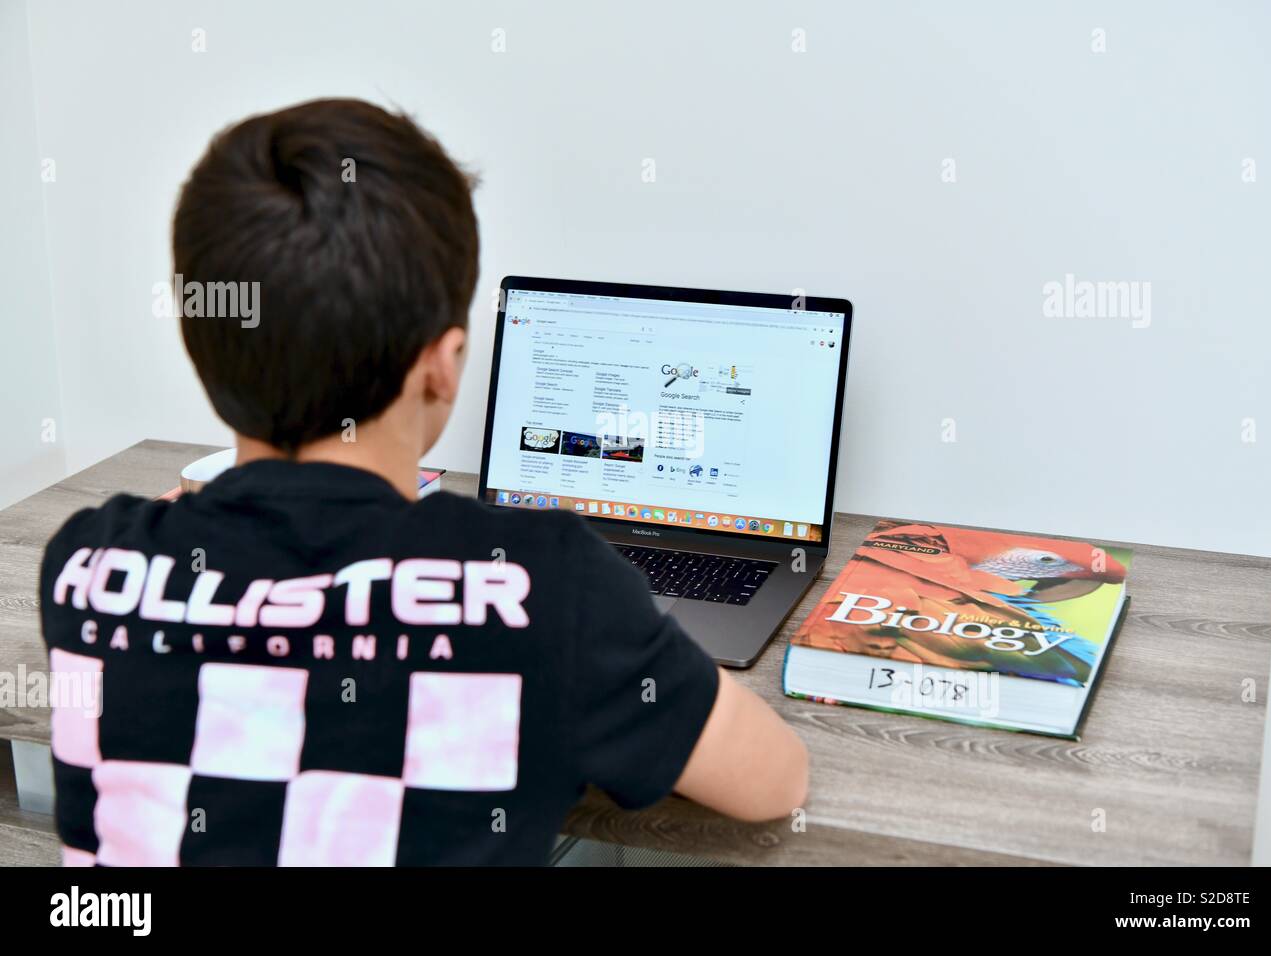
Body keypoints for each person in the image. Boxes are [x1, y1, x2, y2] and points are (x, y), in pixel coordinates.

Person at [39, 98, 808, 866]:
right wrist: (617, 642)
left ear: (198, 335)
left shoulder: (83, 566)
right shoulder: (543, 587)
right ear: (442, 365)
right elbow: (775, 781)